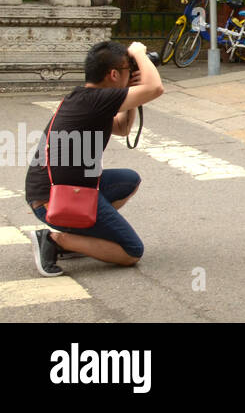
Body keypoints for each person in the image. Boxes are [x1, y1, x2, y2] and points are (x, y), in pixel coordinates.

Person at [26, 40, 165, 276]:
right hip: (54, 201)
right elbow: (155, 88)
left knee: (128, 180)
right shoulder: (96, 99)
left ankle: (80, 235)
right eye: (127, 70)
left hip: (61, 189)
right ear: (113, 74)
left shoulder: (88, 98)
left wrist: (132, 97)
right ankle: (53, 239)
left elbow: (122, 128)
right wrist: (139, 53)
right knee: (131, 251)